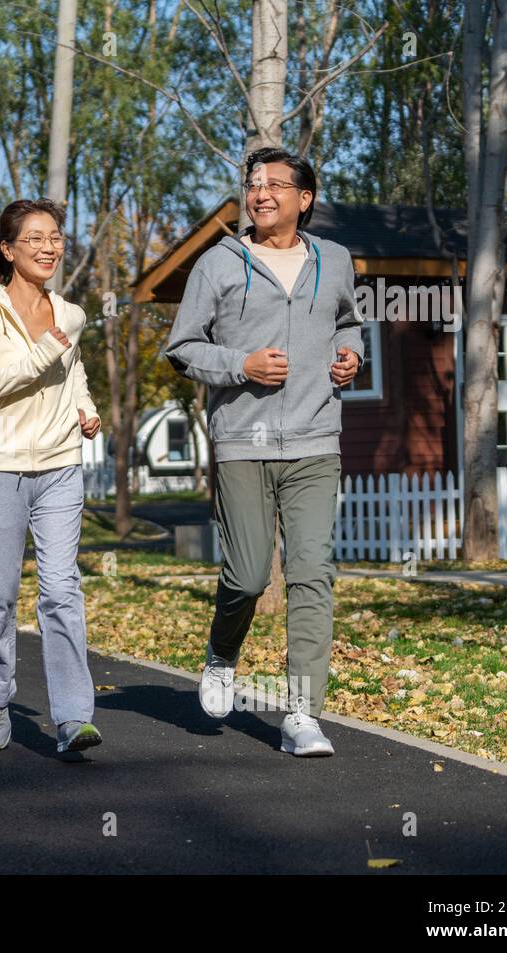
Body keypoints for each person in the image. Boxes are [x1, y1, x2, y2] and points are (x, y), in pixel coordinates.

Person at [164, 147, 363, 756]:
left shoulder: (334, 260)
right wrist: (240, 364)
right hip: (242, 443)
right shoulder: (218, 264)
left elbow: (349, 322)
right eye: (254, 184)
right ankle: (222, 654)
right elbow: (182, 347)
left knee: (311, 575)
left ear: (305, 200)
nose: (261, 193)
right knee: (249, 576)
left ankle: (303, 713)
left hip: (314, 441)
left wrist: (352, 357)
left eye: (277, 184)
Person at [0, 198, 104, 756]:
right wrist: (43, 352)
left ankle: (73, 718)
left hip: (61, 464)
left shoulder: (69, 314)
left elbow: (74, 373)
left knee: (62, 590)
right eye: (37, 238)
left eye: (57, 237)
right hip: (0, 466)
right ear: (9, 249)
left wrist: (85, 407)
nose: (50, 247)